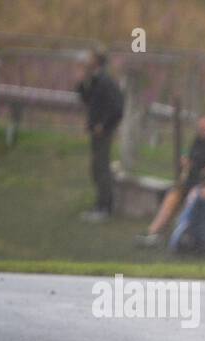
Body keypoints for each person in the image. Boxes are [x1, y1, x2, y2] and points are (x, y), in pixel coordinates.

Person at [134, 116, 205, 248]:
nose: (202, 129)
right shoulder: (197, 141)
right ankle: (153, 231)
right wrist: (186, 164)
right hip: (191, 181)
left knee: (191, 199)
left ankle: (181, 234)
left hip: (204, 185)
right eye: (200, 127)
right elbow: (193, 162)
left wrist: (196, 168)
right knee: (172, 195)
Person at [73, 48, 124, 222]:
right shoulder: (95, 80)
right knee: (96, 168)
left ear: (96, 61)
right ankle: (100, 204)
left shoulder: (105, 81)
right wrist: (80, 82)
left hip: (103, 133)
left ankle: (105, 207)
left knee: (101, 168)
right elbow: (87, 100)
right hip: (96, 131)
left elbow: (118, 107)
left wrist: (104, 125)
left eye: (90, 58)